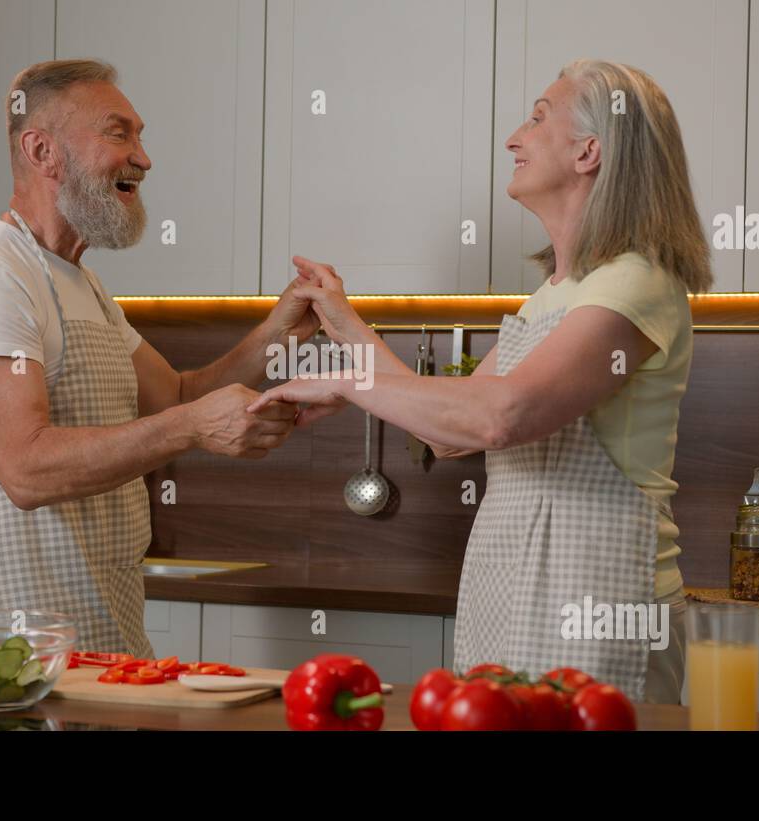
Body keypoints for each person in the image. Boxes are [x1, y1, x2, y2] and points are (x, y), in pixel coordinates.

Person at [250, 59, 712, 703]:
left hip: (602, 604)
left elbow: (501, 415)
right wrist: (343, 320)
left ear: (589, 151)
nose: (513, 138)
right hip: (515, 593)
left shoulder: (637, 281)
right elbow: (452, 433)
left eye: (537, 117)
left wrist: (349, 381)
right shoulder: (554, 294)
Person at [0, 60, 314, 655]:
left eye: (140, 134)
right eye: (118, 132)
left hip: (91, 598)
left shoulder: (82, 283)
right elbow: (25, 470)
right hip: (7, 611)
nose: (144, 157)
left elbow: (180, 396)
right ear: (42, 150)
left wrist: (277, 331)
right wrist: (193, 429)